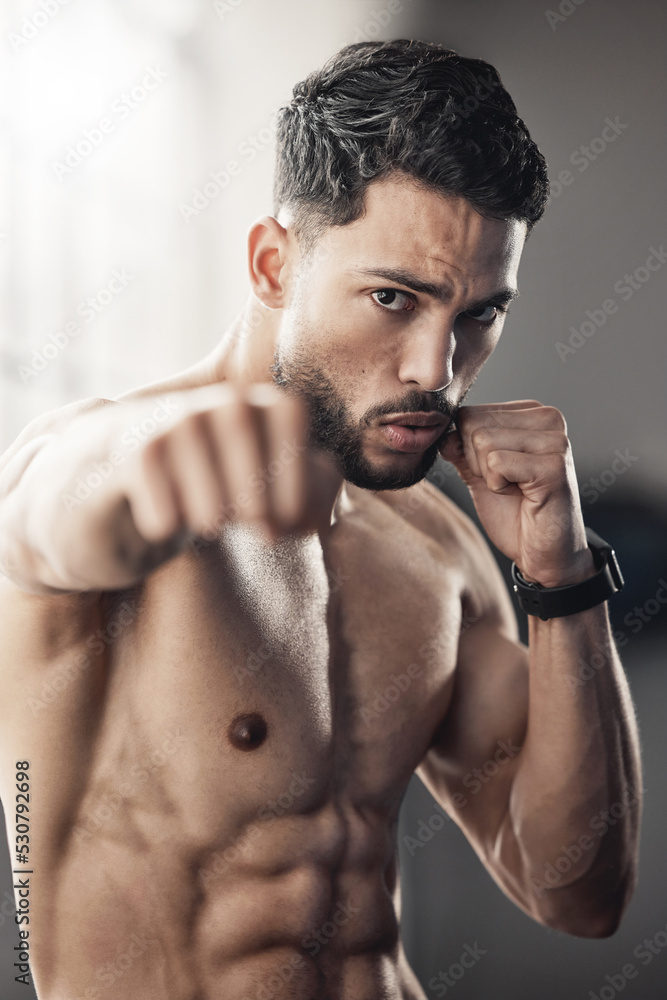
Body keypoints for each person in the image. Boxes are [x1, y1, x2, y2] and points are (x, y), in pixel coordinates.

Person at [0, 38, 641, 1000]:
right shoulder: (106, 471)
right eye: (394, 298)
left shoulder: (436, 547)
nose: (437, 366)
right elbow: (50, 512)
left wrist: (563, 578)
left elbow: (579, 894)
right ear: (271, 264)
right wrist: (150, 465)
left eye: (478, 315)